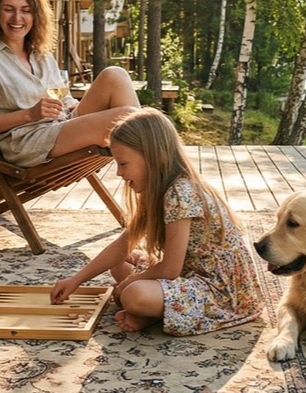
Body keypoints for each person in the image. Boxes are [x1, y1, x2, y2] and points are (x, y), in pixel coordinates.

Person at [50, 108, 262, 335]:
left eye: (123, 164)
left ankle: (150, 313)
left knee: (134, 294)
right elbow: (125, 243)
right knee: (120, 262)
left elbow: (170, 269)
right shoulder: (157, 189)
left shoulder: (180, 193)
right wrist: (76, 280)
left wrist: (127, 284)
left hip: (220, 290)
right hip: (192, 273)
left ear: (152, 157)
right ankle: (154, 314)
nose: (119, 174)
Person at [0, 0, 140, 167]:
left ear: (36, 16)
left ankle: (158, 175)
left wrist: (70, 104)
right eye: (8, 10)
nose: (17, 18)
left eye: (26, 11)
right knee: (128, 117)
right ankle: (161, 180)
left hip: (61, 124)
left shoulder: (42, 55)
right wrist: (29, 115)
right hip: (26, 139)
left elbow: (63, 97)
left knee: (115, 75)